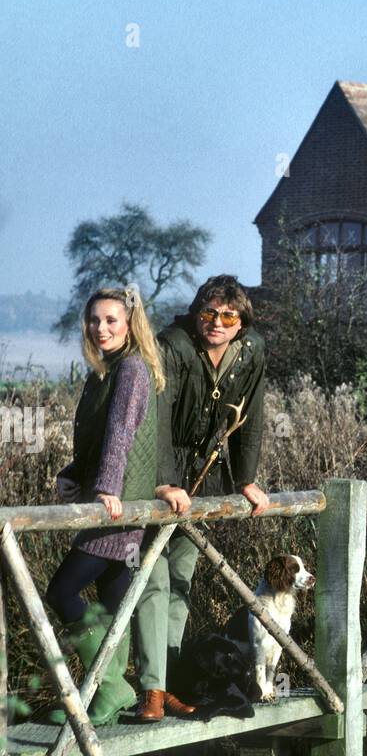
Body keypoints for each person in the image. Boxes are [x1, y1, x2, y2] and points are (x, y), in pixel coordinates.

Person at [132, 275, 270, 722]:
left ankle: (169, 680)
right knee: (152, 581)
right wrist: (164, 482)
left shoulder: (251, 352)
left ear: (241, 321)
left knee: (181, 582)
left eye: (228, 316)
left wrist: (246, 478)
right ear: (197, 312)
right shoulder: (171, 346)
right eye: (208, 313)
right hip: (159, 482)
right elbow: (157, 417)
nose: (216, 322)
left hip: (206, 482)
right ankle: (151, 689)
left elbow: (253, 414)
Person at [45, 285, 163, 725]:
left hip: (119, 505)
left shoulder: (130, 368)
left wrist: (107, 490)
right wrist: (73, 475)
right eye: (95, 320)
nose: (101, 328)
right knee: (112, 602)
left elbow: (121, 434)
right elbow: (95, 441)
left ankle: (111, 686)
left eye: (111, 320)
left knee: (61, 591)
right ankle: (107, 697)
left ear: (129, 323)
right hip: (113, 499)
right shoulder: (105, 370)